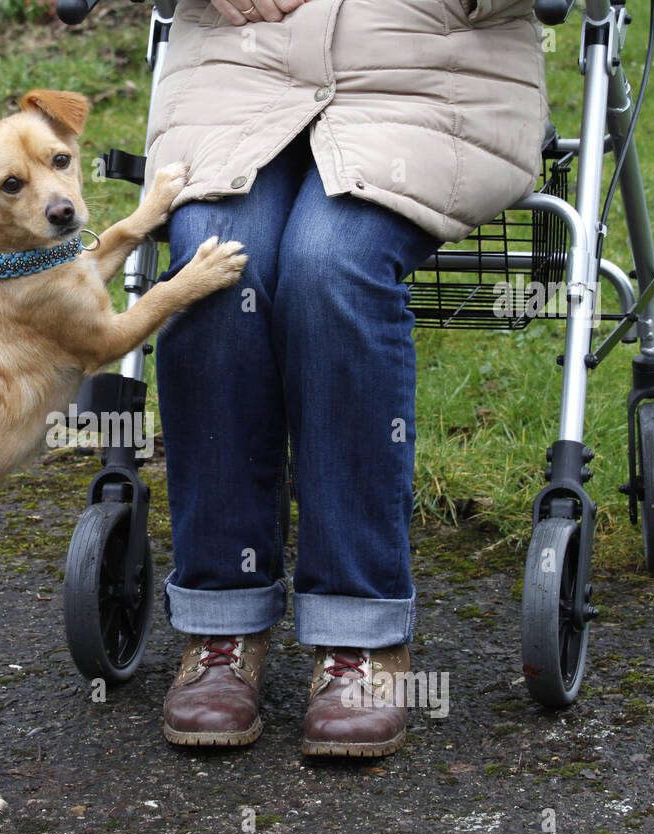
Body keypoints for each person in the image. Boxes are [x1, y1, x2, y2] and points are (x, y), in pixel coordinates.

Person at [145, 0, 548, 755]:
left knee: (331, 263)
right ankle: (221, 625)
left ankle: (361, 635)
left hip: (425, 80)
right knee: (214, 267)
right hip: (241, 74)